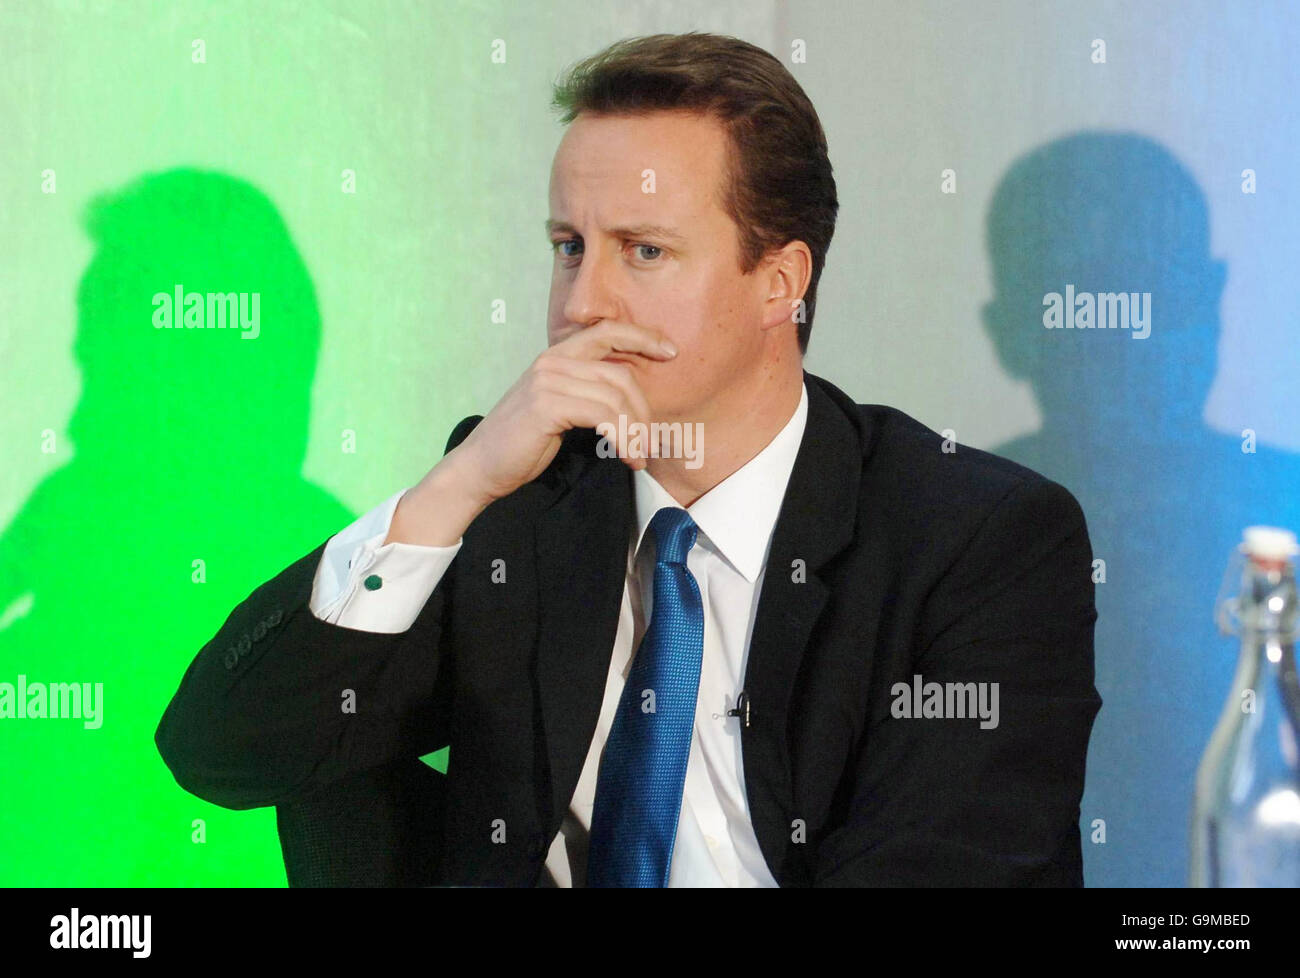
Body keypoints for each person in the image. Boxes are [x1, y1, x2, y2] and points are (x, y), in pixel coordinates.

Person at [155, 31, 1101, 887]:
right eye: (569, 247)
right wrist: (458, 486)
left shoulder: (979, 540)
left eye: (643, 251)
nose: (581, 304)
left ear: (781, 281)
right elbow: (224, 751)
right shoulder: (525, 498)